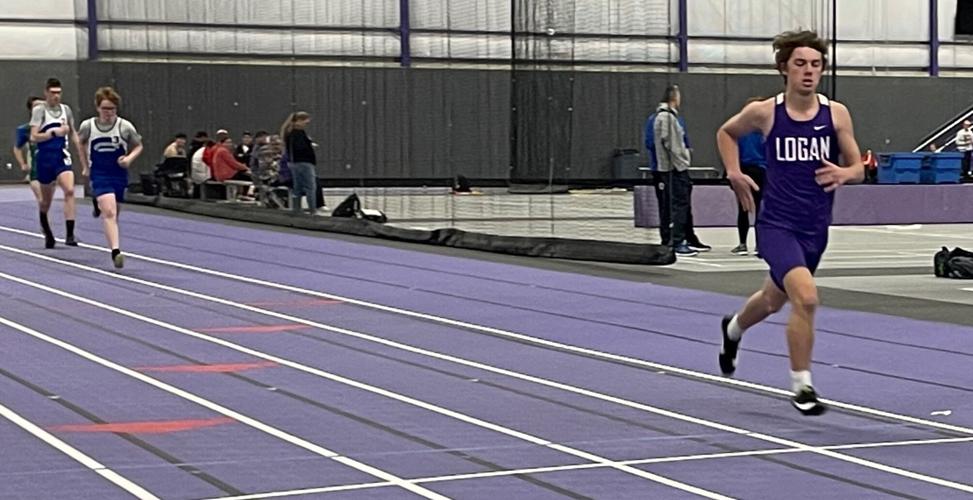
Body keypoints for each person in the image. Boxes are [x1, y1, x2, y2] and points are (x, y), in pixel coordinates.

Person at [715, 30, 864, 415]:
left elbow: (857, 167)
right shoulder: (766, 112)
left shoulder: (836, 114)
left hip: (815, 227)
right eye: (800, 64)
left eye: (815, 65)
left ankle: (732, 329)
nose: (808, 72)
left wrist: (846, 174)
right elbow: (727, 133)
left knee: (771, 300)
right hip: (776, 224)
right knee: (807, 298)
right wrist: (733, 171)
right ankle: (803, 387)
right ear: (785, 69)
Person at [78, 86, 143, 269]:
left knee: (115, 212)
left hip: (118, 174)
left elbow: (138, 145)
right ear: (98, 108)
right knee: (109, 212)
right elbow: (80, 143)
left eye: (112, 109)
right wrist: (85, 166)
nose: (109, 113)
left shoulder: (124, 126)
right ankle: (116, 251)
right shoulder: (88, 126)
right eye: (105, 109)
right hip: (99, 173)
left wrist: (129, 158)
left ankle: (97, 203)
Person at [653, 85, 710, 256]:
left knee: (676, 206)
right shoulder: (667, 118)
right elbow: (673, 146)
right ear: (674, 97)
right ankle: (677, 241)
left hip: (670, 169)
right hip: (673, 170)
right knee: (678, 206)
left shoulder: (663, 117)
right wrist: (683, 162)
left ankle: (678, 239)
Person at [30, 77, 86, 248]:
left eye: (59, 93)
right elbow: (33, 137)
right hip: (45, 158)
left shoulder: (65, 110)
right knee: (46, 201)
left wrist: (83, 160)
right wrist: (53, 133)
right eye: (53, 93)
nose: (56, 96)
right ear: (46, 93)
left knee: (69, 190)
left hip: (61, 156)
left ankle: (70, 234)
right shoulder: (40, 111)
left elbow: (74, 134)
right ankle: (47, 231)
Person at [730, 101, 767, 256]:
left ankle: (742, 243)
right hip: (761, 170)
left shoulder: (741, 134)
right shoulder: (764, 133)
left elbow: (734, 152)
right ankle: (760, 246)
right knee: (760, 208)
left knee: (743, 207)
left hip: (745, 170)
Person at [280, 111, 318, 214]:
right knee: (310, 187)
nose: (306, 124)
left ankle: (296, 209)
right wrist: (309, 146)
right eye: (305, 122)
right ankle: (312, 210)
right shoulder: (298, 133)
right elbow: (300, 147)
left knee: (297, 187)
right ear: (298, 121)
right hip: (304, 162)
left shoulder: (288, 133)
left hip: (294, 163)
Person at [14, 96, 45, 203]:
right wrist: (22, 164)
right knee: (42, 200)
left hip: (52, 167)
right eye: (36, 106)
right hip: (36, 170)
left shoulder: (52, 126)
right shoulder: (24, 130)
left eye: (42, 105)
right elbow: (17, 148)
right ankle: (43, 215)